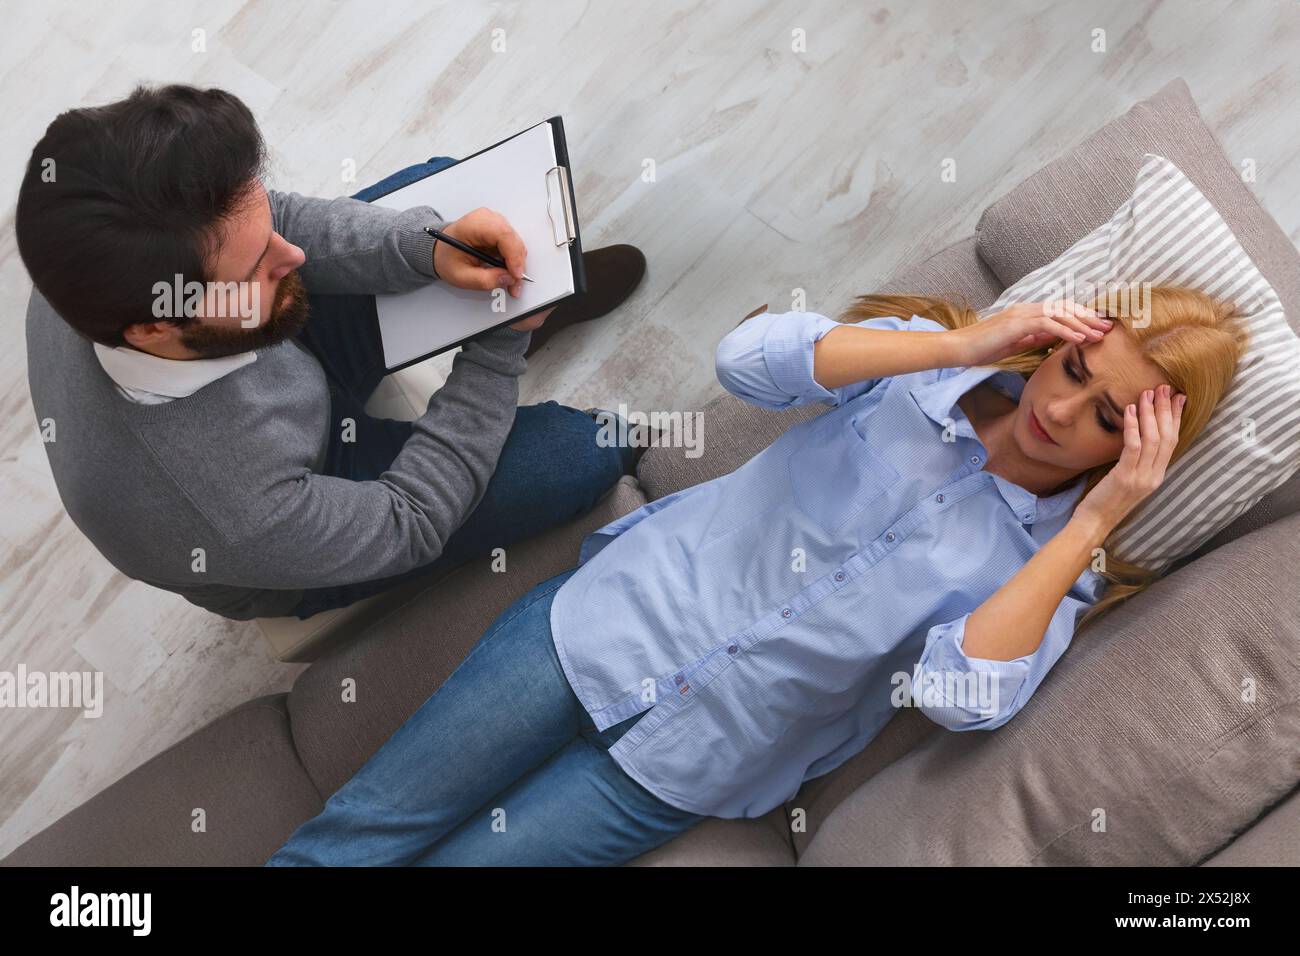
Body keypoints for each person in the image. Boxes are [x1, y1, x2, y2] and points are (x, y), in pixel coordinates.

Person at [265, 286, 1248, 865]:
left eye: (1112, 419)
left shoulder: (1052, 571)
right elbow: (748, 362)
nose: (1066, 410)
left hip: (683, 764)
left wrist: (1102, 514)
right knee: (353, 836)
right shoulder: (917, 369)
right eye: (1076, 370)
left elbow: (954, 694)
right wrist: (964, 343)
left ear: (1138, 452)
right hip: (597, 630)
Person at [17, 83, 646, 621]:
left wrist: (424, 247)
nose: (292, 257)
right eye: (256, 271)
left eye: (265, 231)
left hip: (280, 365)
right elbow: (410, 523)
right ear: (153, 328)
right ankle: (518, 322)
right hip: (306, 497)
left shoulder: (92, 260)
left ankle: (533, 294)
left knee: (452, 203)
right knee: (582, 450)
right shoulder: (232, 510)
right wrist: (497, 349)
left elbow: (278, 226)